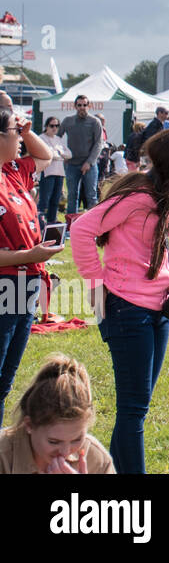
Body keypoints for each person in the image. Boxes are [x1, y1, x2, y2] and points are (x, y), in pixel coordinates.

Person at [69, 128, 169, 474]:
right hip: (127, 308)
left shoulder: (165, 195)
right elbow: (83, 229)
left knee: (136, 409)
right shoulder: (138, 197)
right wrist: (96, 284)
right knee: (133, 410)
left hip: (158, 307)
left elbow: (149, 246)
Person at [0, 107, 55, 426]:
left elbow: (45, 155)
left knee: (5, 382)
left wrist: (24, 128)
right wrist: (31, 255)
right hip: (7, 284)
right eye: (14, 132)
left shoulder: (12, 170)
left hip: (27, 284)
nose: (21, 139)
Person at [0, 354, 114, 474]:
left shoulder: (97, 460)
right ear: (29, 425)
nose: (65, 452)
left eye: (77, 439)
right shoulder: (4, 454)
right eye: (54, 442)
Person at [60, 95, 104, 213]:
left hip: (90, 165)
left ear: (89, 106)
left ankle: (93, 226)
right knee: (72, 196)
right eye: (79, 105)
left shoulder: (95, 122)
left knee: (91, 196)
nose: (82, 107)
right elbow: (56, 137)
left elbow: (99, 143)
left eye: (85, 105)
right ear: (75, 106)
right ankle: (71, 227)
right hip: (72, 164)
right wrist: (62, 153)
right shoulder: (67, 121)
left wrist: (89, 162)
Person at [36, 117, 71, 227]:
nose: (54, 128)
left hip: (59, 173)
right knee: (45, 199)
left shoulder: (58, 139)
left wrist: (58, 153)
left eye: (56, 126)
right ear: (46, 126)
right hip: (47, 172)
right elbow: (50, 154)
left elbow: (69, 154)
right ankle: (39, 221)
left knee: (56, 199)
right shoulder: (41, 138)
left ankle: (51, 221)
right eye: (52, 126)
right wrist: (59, 154)